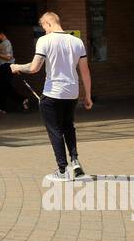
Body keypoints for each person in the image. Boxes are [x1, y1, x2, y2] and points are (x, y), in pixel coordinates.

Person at [11, 12, 93, 180]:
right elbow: (85, 72)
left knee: (55, 131)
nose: (44, 31)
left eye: (44, 28)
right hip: (72, 93)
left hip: (53, 93)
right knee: (68, 127)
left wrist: (18, 66)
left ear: (48, 23)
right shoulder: (77, 42)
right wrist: (88, 96)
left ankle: (62, 170)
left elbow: (34, 68)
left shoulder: (44, 41)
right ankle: (75, 161)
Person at [0, 30, 18, 114]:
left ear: (2, 34)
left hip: (6, 68)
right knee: (4, 87)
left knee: (2, 88)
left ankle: (1, 108)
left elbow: (8, 57)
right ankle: (21, 100)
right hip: (4, 67)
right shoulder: (3, 43)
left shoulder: (6, 43)